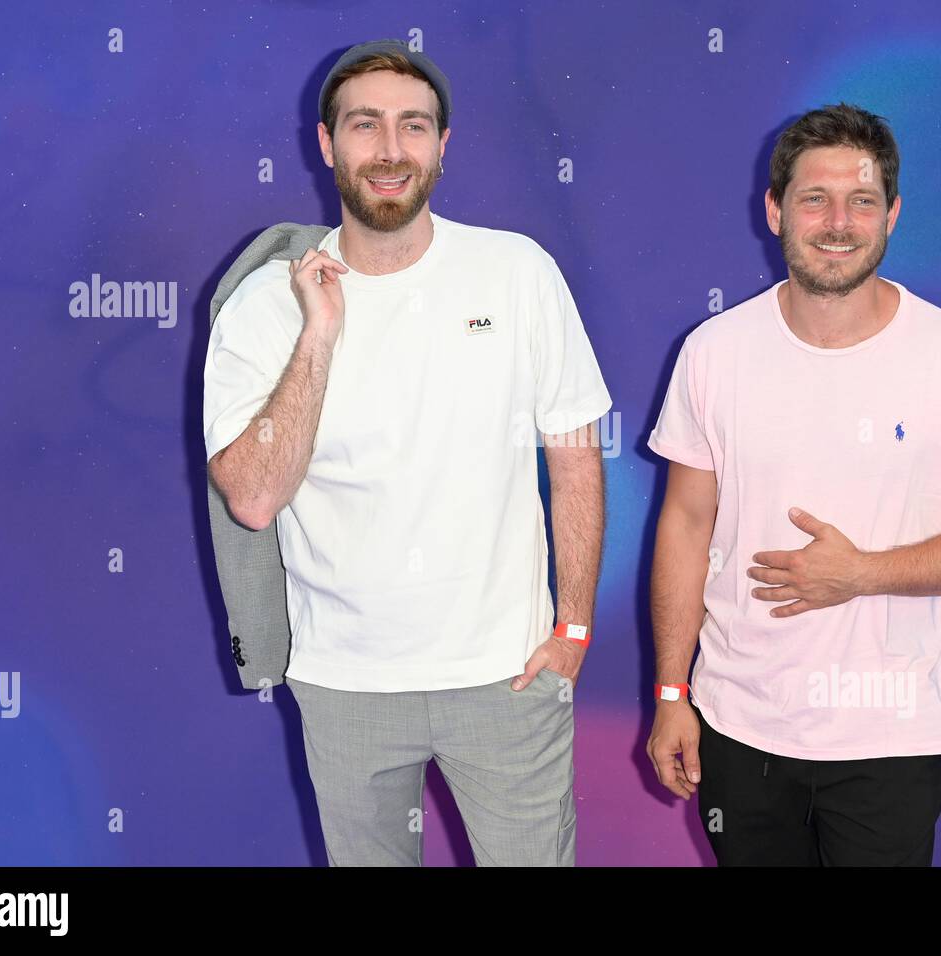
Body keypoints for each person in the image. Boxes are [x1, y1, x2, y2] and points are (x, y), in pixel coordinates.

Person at [203, 39, 611, 866]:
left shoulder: (516, 271)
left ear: (442, 144)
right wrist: (319, 335)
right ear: (327, 144)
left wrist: (572, 629)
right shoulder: (262, 306)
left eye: (413, 127)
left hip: (509, 674)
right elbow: (251, 497)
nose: (390, 151)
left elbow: (575, 455)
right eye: (365, 126)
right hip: (344, 682)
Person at [644, 102, 941, 866]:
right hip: (740, 723)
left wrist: (861, 575)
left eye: (861, 201)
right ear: (774, 210)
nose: (838, 221)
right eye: (814, 199)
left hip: (889, 732)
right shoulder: (713, 352)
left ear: (891, 213)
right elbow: (687, 524)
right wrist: (671, 693)